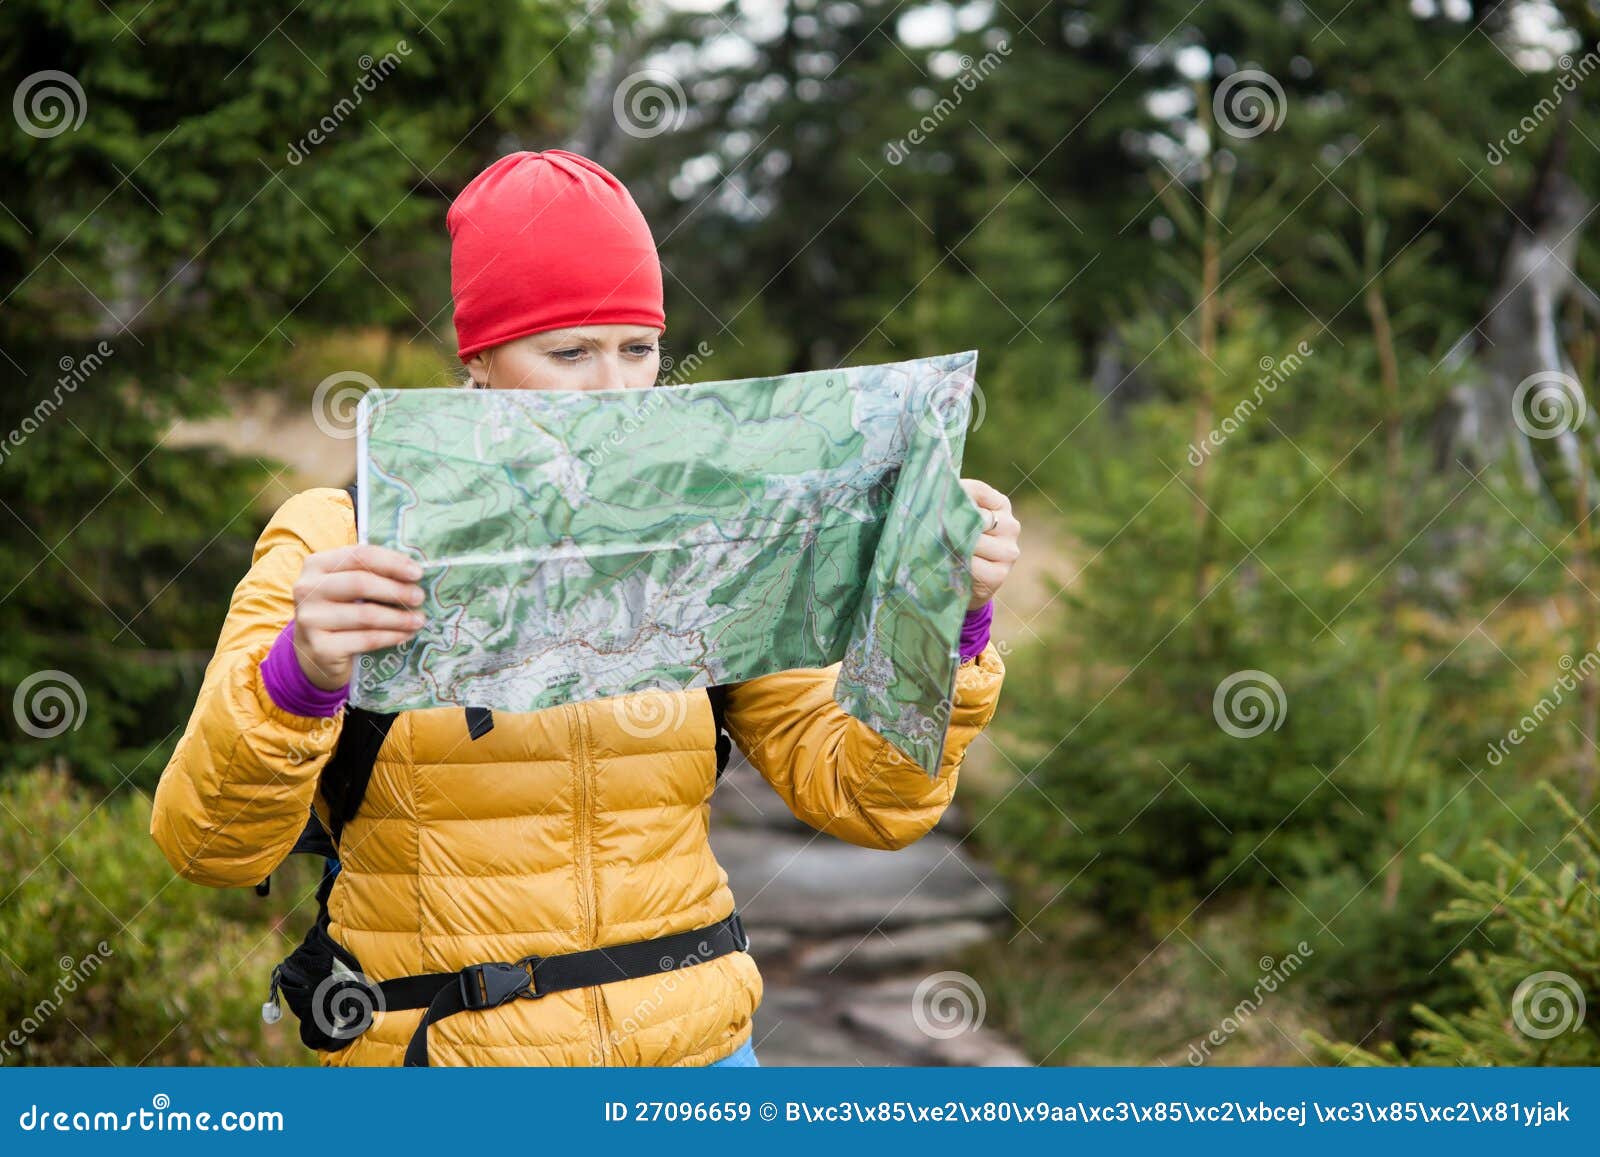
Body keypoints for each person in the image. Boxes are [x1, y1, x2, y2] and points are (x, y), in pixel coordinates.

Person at [149, 149, 1020, 1067]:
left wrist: (945, 615)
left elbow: (872, 797)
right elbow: (208, 846)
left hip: (702, 1062)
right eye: (569, 352)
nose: (613, 388)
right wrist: (300, 675)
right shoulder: (338, 535)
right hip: (455, 1070)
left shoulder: (718, 527)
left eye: (637, 349)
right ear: (479, 356)